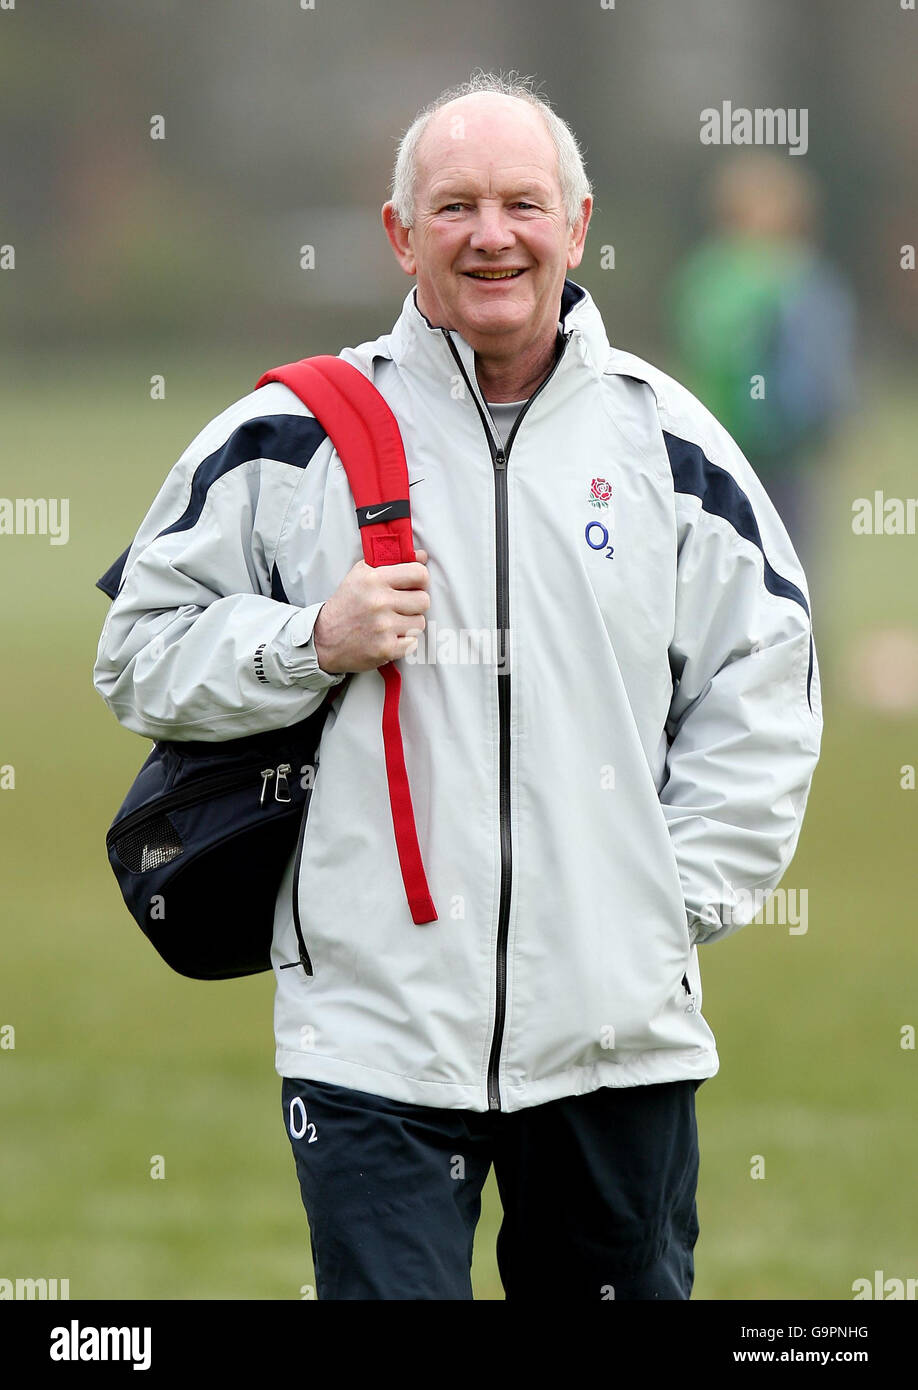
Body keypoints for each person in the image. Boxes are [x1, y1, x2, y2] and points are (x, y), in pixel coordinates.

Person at [93, 72, 822, 1301]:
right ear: (401, 233)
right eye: (457, 205)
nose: (494, 233)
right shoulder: (287, 435)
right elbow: (139, 653)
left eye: (524, 203)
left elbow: (766, 688)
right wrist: (308, 639)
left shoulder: (671, 444)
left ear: (577, 223)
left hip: (615, 1041)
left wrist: (665, 904)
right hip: (373, 1042)